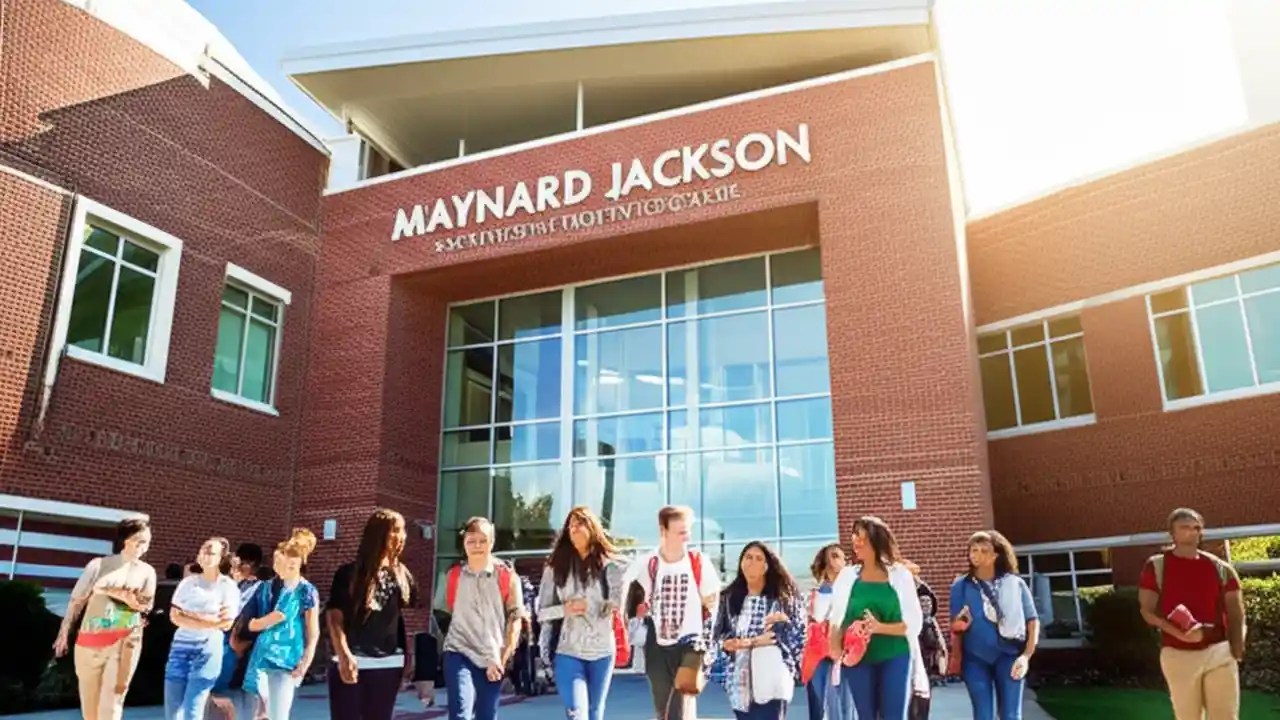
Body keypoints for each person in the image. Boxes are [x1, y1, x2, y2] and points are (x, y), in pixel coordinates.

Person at [1139, 508, 1247, 720]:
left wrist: (1237, 647)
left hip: (1219, 651)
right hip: (1178, 655)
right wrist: (1180, 634)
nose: (1192, 532)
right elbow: (1147, 611)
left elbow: (1236, 610)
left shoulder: (1220, 568)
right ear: (1172, 533)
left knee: (1226, 716)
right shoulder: (1157, 566)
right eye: (1185, 527)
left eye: (1196, 528)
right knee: (1188, 717)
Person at [620, 505, 722, 720]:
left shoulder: (698, 562)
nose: (686, 537)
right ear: (663, 531)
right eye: (680, 532)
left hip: (691, 642)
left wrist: (709, 640)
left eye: (688, 531)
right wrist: (631, 609)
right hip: (657, 643)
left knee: (680, 701)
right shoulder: (649, 563)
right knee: (663, 707)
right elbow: (622, 588)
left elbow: (714, 604)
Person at [54, 518, 157, 720]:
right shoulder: (98, 565)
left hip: (125, 641)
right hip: (90, 640)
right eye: (138, 540)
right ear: (125, 539)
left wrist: (116, 593)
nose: (142, 546)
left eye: (146, 542)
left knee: (112, 703)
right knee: (90, 706)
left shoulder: (147, 572)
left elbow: (145, 605)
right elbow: (76, 601)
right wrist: (63, 634)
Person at [827, 516, 927, 720]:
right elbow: (836, 618)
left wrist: (878, 627)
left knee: (894, 716)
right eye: (855, 536)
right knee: (866, 716)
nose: (856, 541)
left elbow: (913, 624)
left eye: (862, 537)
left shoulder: (900, 576)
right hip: (857, 660)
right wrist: (835, 647)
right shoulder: (847, 576)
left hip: (895, 654)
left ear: (877, 541)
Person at [326, 508, 420, 720]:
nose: (401, 536)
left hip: (388, 664)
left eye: (403, 530)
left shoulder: (403, 575)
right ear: (379, 534)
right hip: (351, 662)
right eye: (395, 530)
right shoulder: (349, 573)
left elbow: (404, 620)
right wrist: (343, 654)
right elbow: (334, 617)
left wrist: (411, 660)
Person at [536, 507, 625, 720]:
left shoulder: (609, 565)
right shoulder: (555, 567)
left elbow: (617, 602)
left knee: (595, 714)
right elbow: (541, 613)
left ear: (592, 528)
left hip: (602, 652)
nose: (574, 529)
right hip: (568, 651)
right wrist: (565, 609)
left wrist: (608, 604)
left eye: (580, 524)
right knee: (578, 714)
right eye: (571, 525)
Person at [440, 516, 526, 720]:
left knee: (486, 715)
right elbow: (444, 614)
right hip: (458, 651)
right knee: (460, 713)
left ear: (492, 542)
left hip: (492, 656)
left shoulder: (507, 576)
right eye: (471, 541)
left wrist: (503, 658)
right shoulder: (452, 576)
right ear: (464, 543)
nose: (477, 546)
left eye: (483, 540)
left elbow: (515, 619)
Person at [709, 542, 805, 720]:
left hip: (773, 675)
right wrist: (725, 645)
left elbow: (798, 636)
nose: (752, 562)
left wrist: (784, 624)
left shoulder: (784, 599)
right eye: (748, 557)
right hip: (739, 680)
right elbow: (713, 638)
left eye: (758, 558)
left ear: (767, 566)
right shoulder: (727, 599)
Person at [949, 531, 1038, 720]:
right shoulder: (961, 586)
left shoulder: (1015, 584)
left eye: (983, 550)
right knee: (983, 715)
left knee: (1011, 715)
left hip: (1009, 656)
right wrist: (959, 630)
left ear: (995, 555)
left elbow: (1032, 620)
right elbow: (955, 626)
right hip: (975, 660)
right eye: (973, 550)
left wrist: (1026, 656)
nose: (976, 555)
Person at [243, 529, 321, 719]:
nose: (280, 566)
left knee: (278, 712)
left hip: (287, 657)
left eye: (287, 562)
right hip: (261, 656)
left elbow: (313, 632)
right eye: (277, 561)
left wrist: (305, 662)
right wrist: (268, 620)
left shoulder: (306, 591)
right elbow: (249, 624)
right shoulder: (265, 588)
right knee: (259, 713)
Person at [164, 537, 239, 719]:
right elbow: (174, 616)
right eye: (203, 550)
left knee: (193, 708)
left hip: (206, 651)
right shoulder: (187, 583)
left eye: (211, 551)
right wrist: (210, 621)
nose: (205, 554)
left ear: (221, 558)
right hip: (180, 648)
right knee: (173, 710)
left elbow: (226, 622)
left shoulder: (227, 587)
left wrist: (189, 615)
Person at [208, 543, 268, 720]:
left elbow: (258, 619)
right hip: (223, 648)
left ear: (249, 564)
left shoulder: (260, 589)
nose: (236, 568)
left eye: (239, 563)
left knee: (242, 703)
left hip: (242, 653)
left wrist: (241, 646)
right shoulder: (235, 586)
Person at [803, 543, 849, 720]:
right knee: (820, 706)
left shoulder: (853, 590)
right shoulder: (816, 593)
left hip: (847, 653)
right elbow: (817, 617)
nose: (836, 561)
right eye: (832, 556)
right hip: (819, 655)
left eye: (839, 556)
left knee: (846, 705)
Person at [911, 568, 947, 720]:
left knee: (922, 704)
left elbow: (939, 645)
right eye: (923, 601)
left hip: (926, 669)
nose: (926, 604)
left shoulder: (931, 621)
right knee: (915, 705)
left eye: (928, 601)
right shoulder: (920, 622)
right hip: (916, 665)